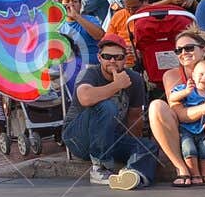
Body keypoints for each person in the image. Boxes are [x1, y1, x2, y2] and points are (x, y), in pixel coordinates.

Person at [148, 30, 205, 186]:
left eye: (189, 48)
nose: (184, 53)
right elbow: (179, 114)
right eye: (179, 50)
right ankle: (181, 168)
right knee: (156, 106)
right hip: (185, 134)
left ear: (204, 50)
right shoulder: (171, 76)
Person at [66, 35, 157, 189]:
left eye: (118, 57)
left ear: (125, 59)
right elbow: (85, 98)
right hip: (79, 137)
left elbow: (134, 118)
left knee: (148, 145)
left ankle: (132, 175)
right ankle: (99, 167)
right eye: (107, 57)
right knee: (107, 106)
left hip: (110, 138)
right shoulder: (90, 73)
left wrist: (132, 146)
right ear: (99, 58)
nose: (112, 61)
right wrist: (116, 86)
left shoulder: (134, 79)